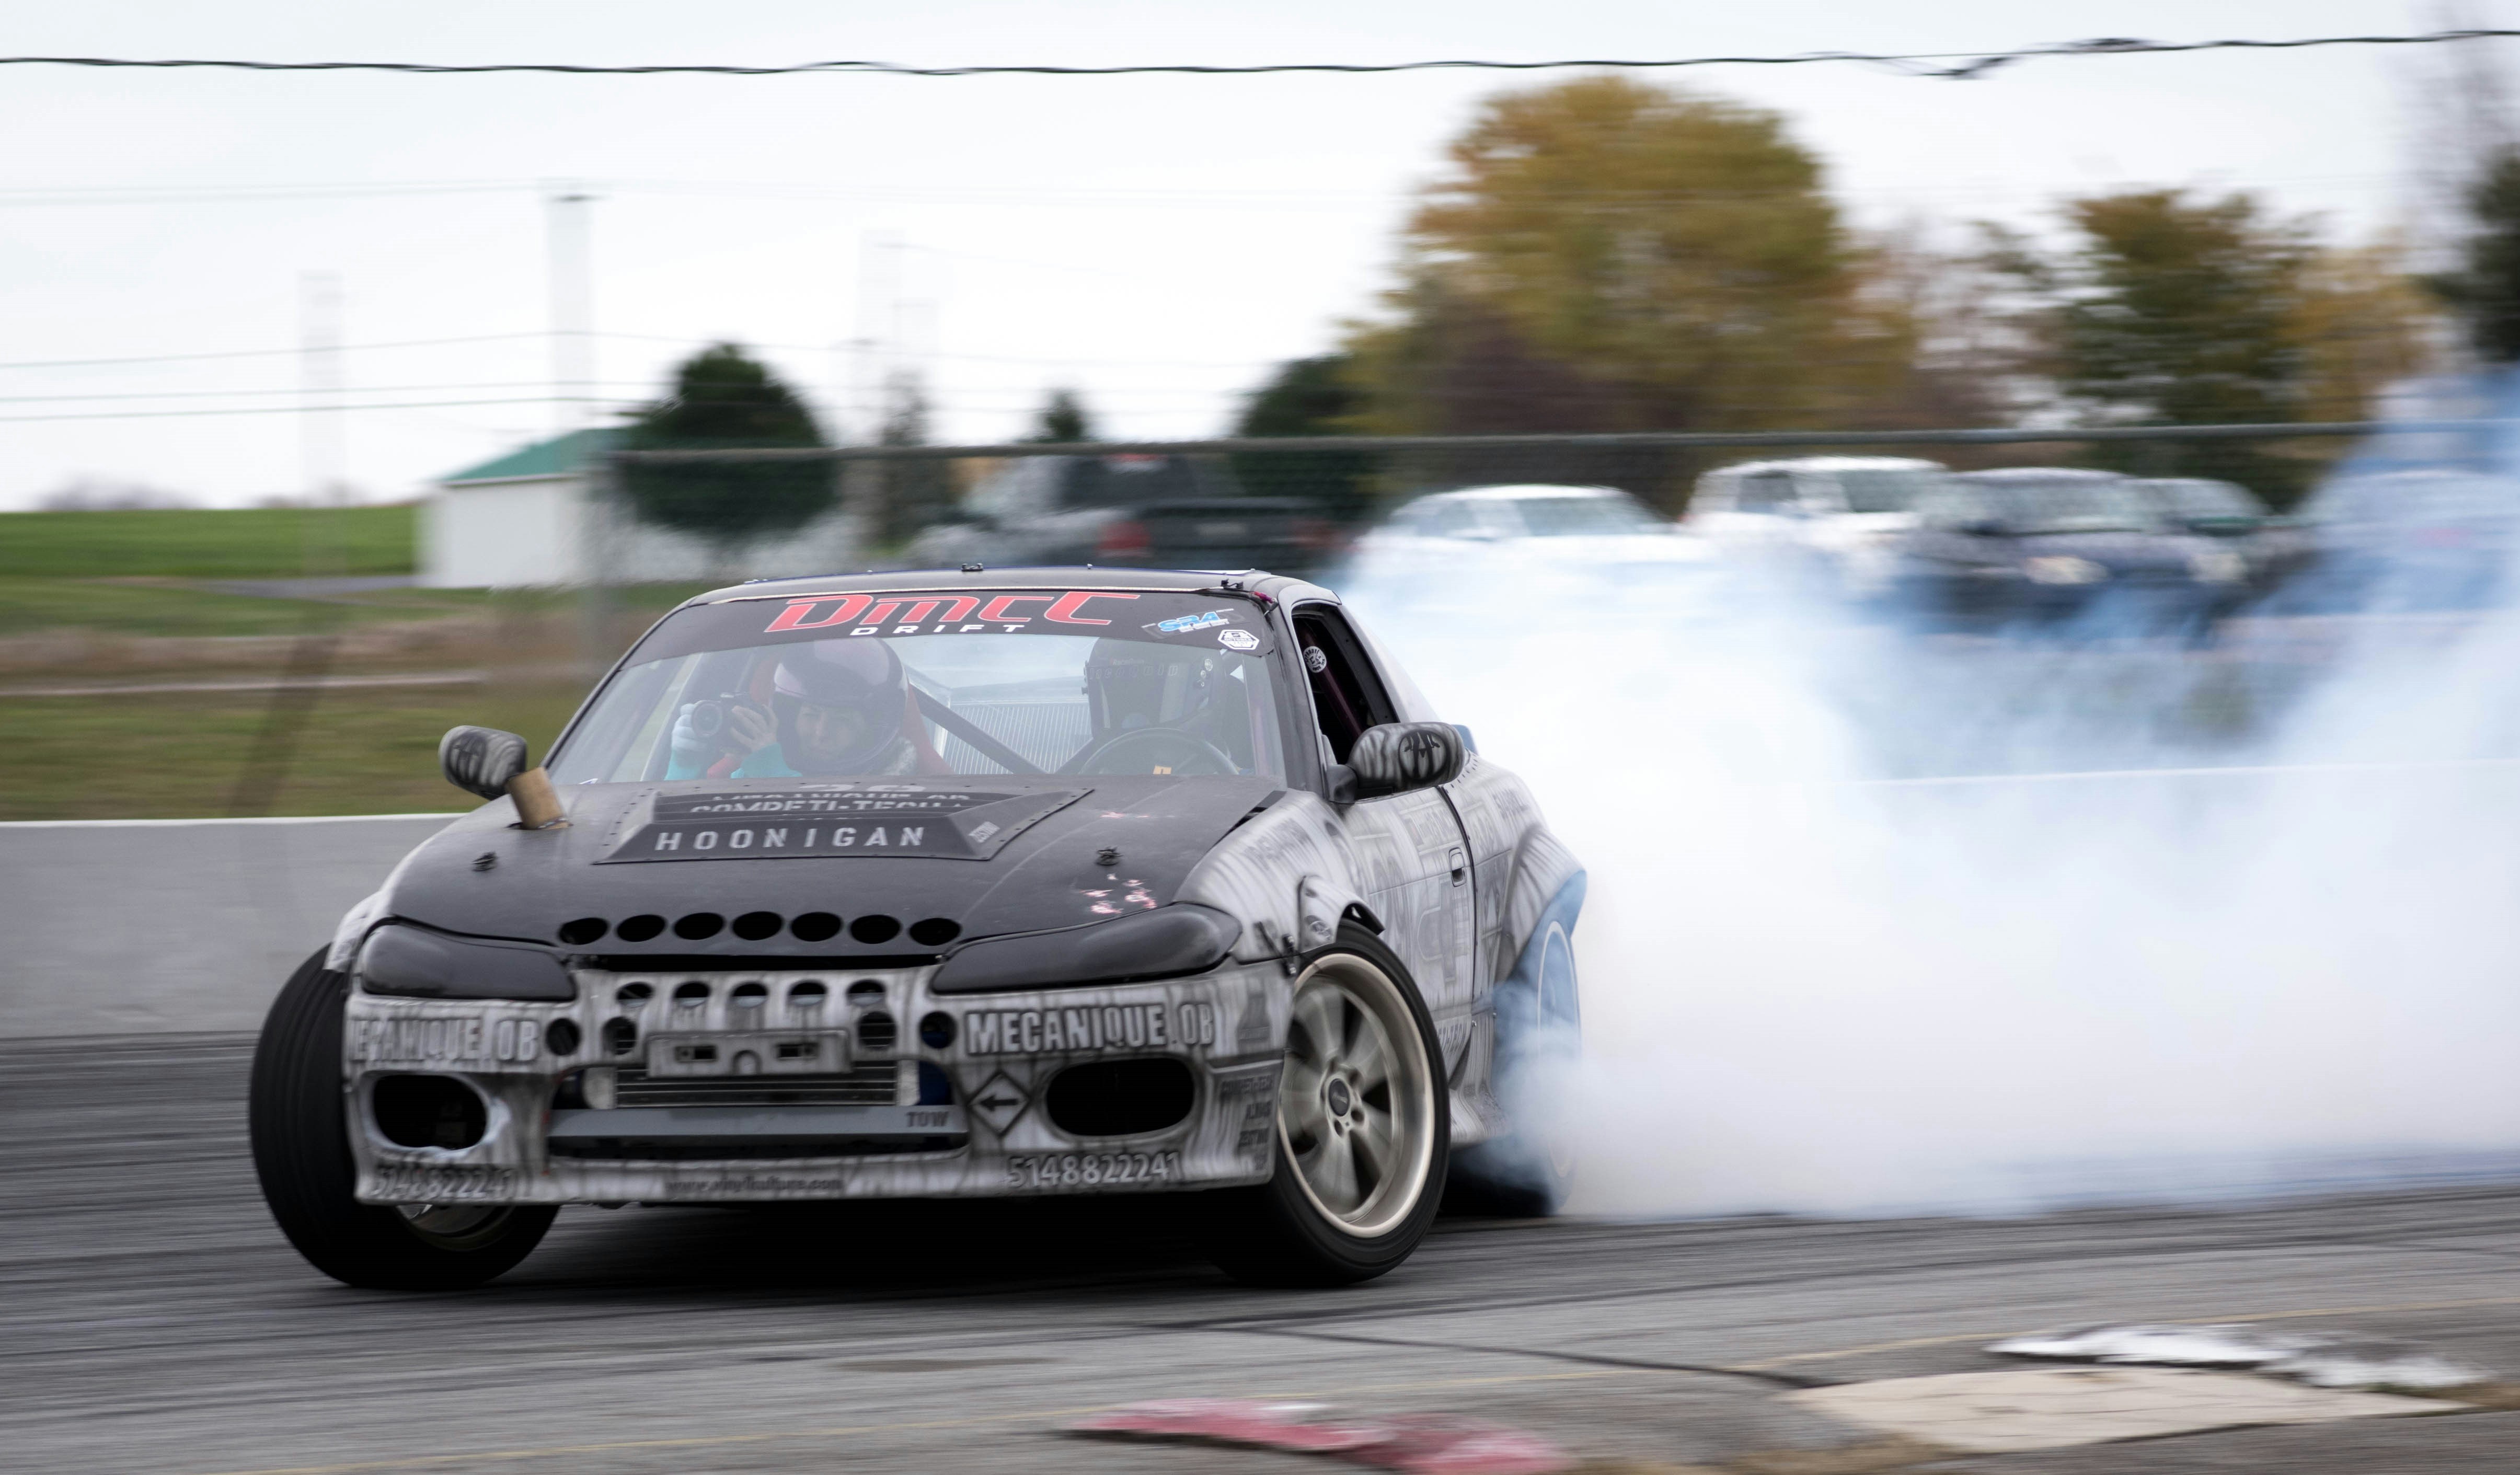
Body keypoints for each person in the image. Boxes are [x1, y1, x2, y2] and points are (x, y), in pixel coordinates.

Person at [668, 639, 930, 779]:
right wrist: (684, 765)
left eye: (843, 719)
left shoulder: (908, 799)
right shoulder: (746, 772)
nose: (821, 733)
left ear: (873, 730)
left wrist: (770, 773)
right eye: (811, 714)